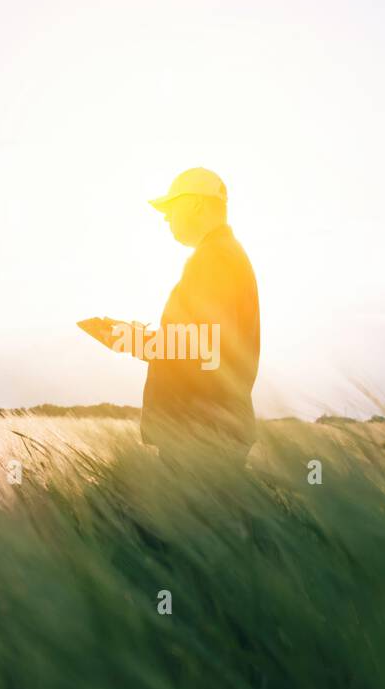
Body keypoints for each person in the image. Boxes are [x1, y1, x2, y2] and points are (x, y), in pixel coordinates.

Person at [80, 168, 260, 469]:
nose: (166, 218)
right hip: (210, 430)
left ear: (197, 205)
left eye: (170, 207)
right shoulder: (222, 254)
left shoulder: (214, 258)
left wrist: (126, 338)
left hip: (201, 435)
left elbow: (202, 347)